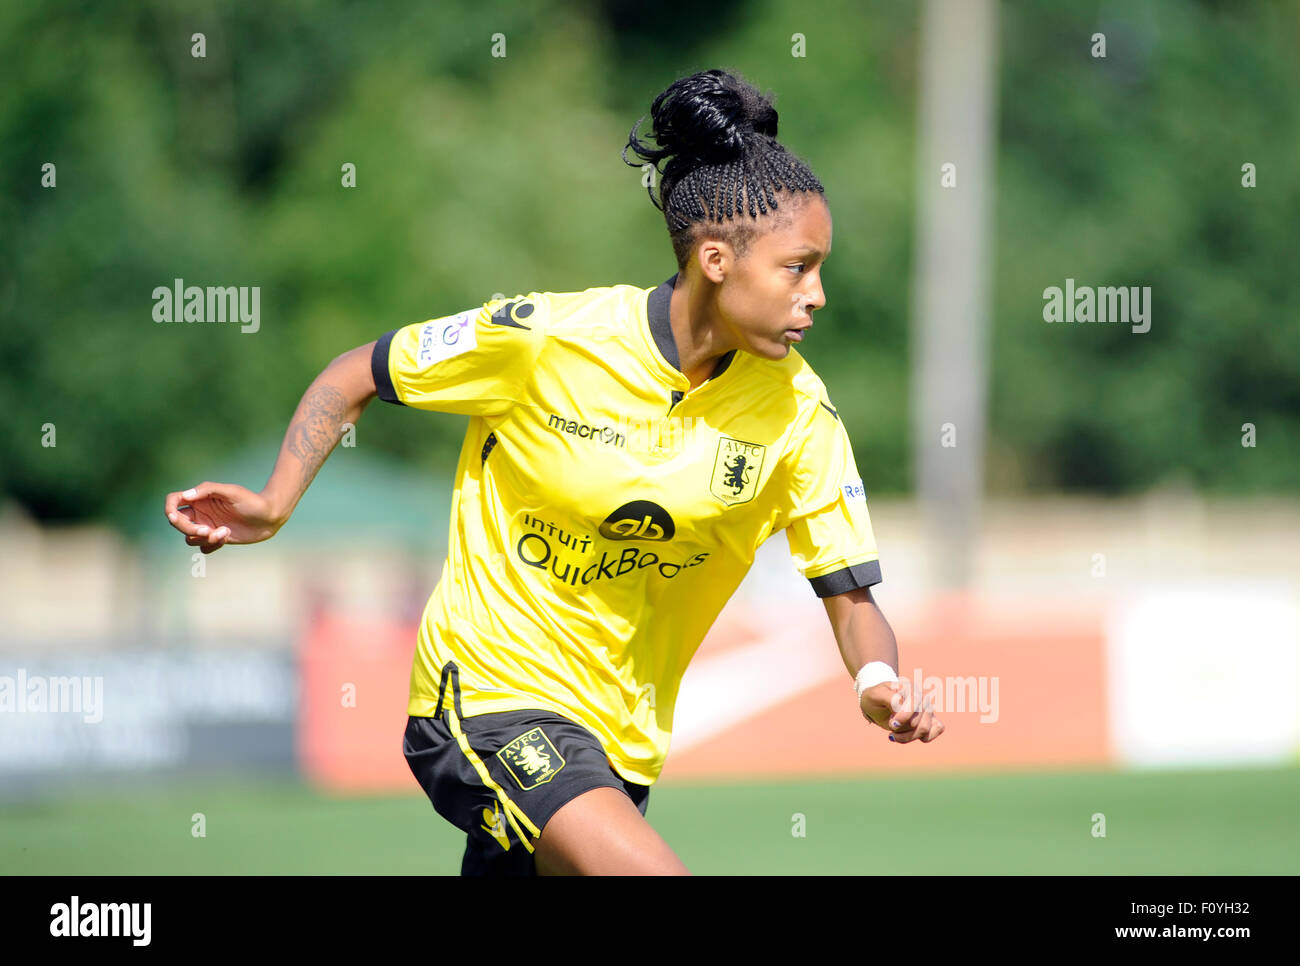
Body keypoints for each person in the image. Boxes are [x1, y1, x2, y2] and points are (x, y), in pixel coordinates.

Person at [163, 68, 944, 876]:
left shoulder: (798, 414)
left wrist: (877, 678)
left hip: (618, 751)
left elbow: (850, 596)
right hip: (485, 700)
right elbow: (356, 372)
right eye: (797, 267)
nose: (816, 295)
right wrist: (273, 506)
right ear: (716, 258)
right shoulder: (546, 339)